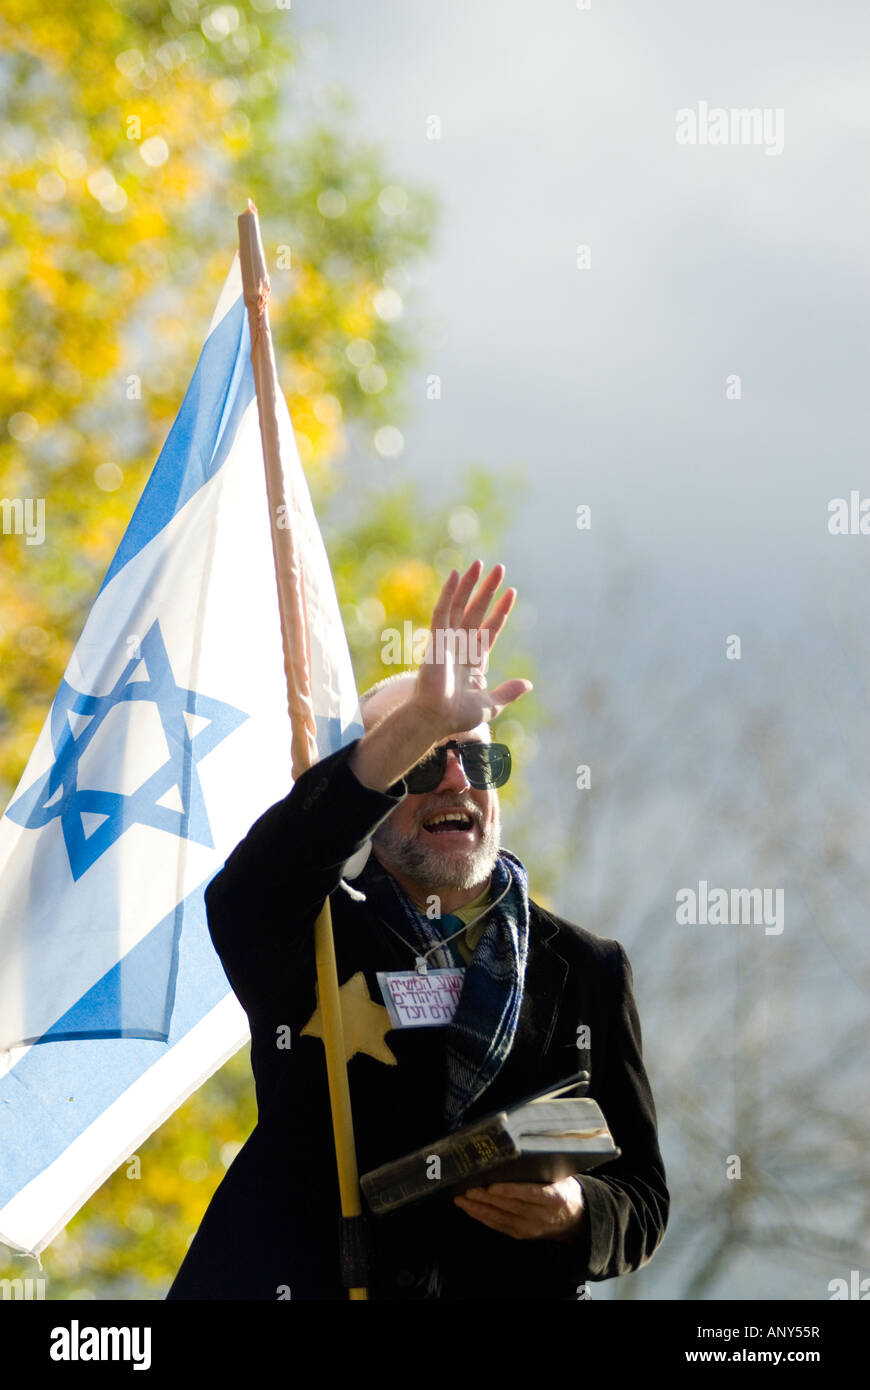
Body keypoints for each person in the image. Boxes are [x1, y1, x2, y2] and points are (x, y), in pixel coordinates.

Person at [167, 561, 668, 1300]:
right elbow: (250, 889)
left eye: (476, 756)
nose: (457, 780)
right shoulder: (306, 923)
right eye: (427, 758)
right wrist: (416, 722)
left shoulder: (586, 966)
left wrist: (575, 1212)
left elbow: (643, 1200)